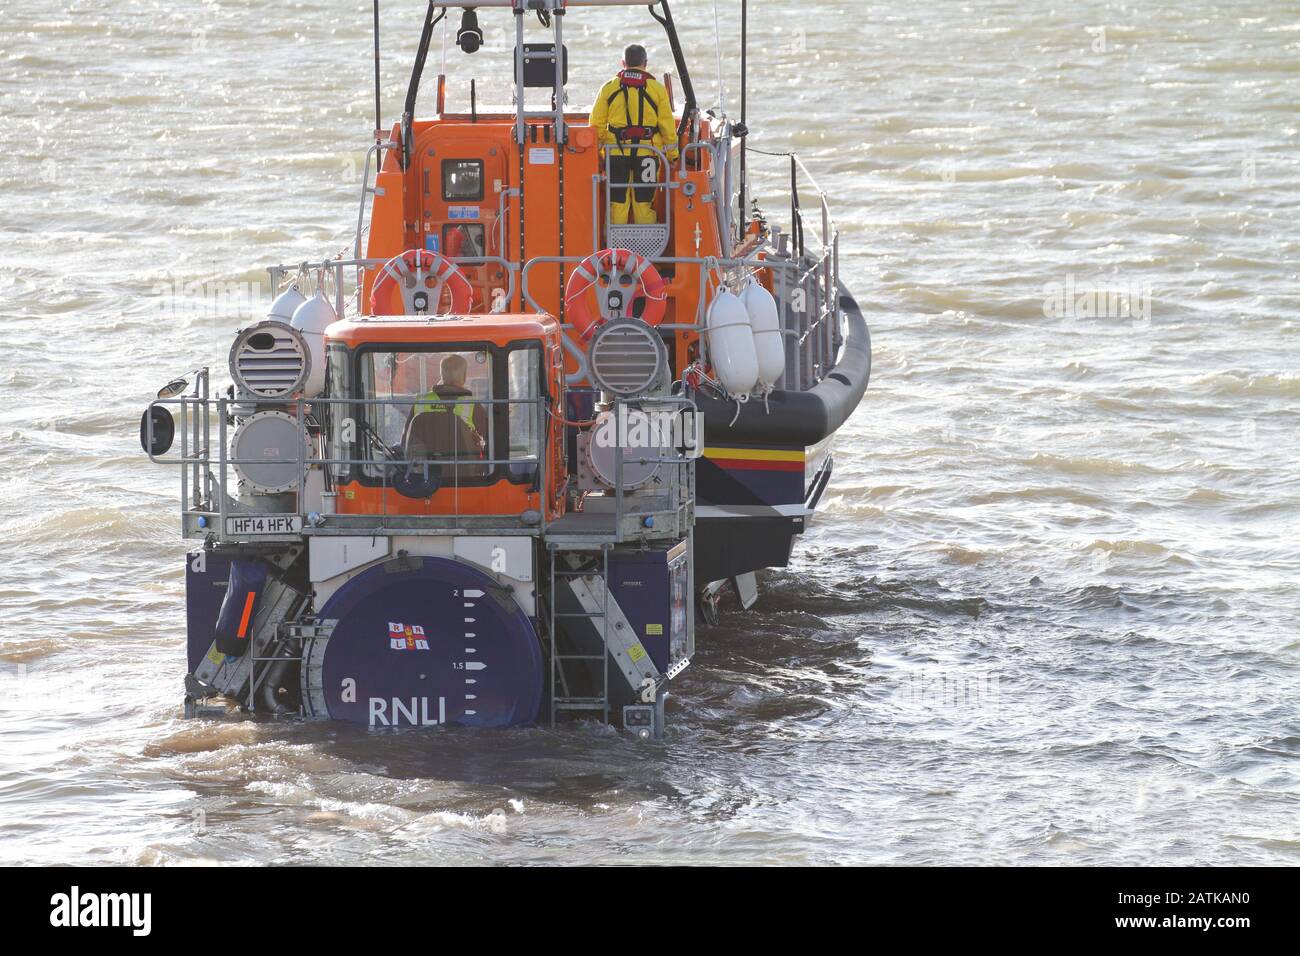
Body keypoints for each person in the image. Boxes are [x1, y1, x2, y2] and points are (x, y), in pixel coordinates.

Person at [589, 44, 679, 225]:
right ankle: (646, 247)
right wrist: (673, 157)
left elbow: (596, 125)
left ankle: (616, 248)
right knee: (644, 202)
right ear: (645, 63)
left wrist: (598, 155)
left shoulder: (608, 88)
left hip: (616, 153)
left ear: (623, 63)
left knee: (617, 202)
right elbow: (667, 127)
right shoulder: (657, 89)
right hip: (648, 153)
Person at [408, 353, 488, 458]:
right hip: (464, 470)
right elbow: (489, 439)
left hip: (425, 470)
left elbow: (407, 439)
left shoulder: (420, 401)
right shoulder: (472, 405)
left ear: (441, 375)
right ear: (464, 376)